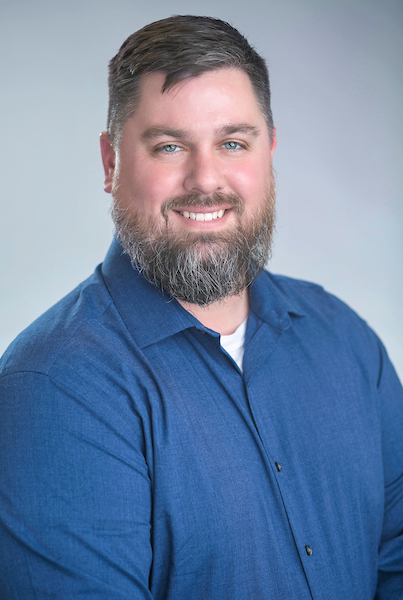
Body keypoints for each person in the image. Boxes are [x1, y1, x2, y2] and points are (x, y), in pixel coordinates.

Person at [0, 15, 402, 600]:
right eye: (169, 146)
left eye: (233, 143)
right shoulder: (55, 388)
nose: (206, 179)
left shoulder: (345, 340)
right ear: (111, 162)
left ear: (269, 152)